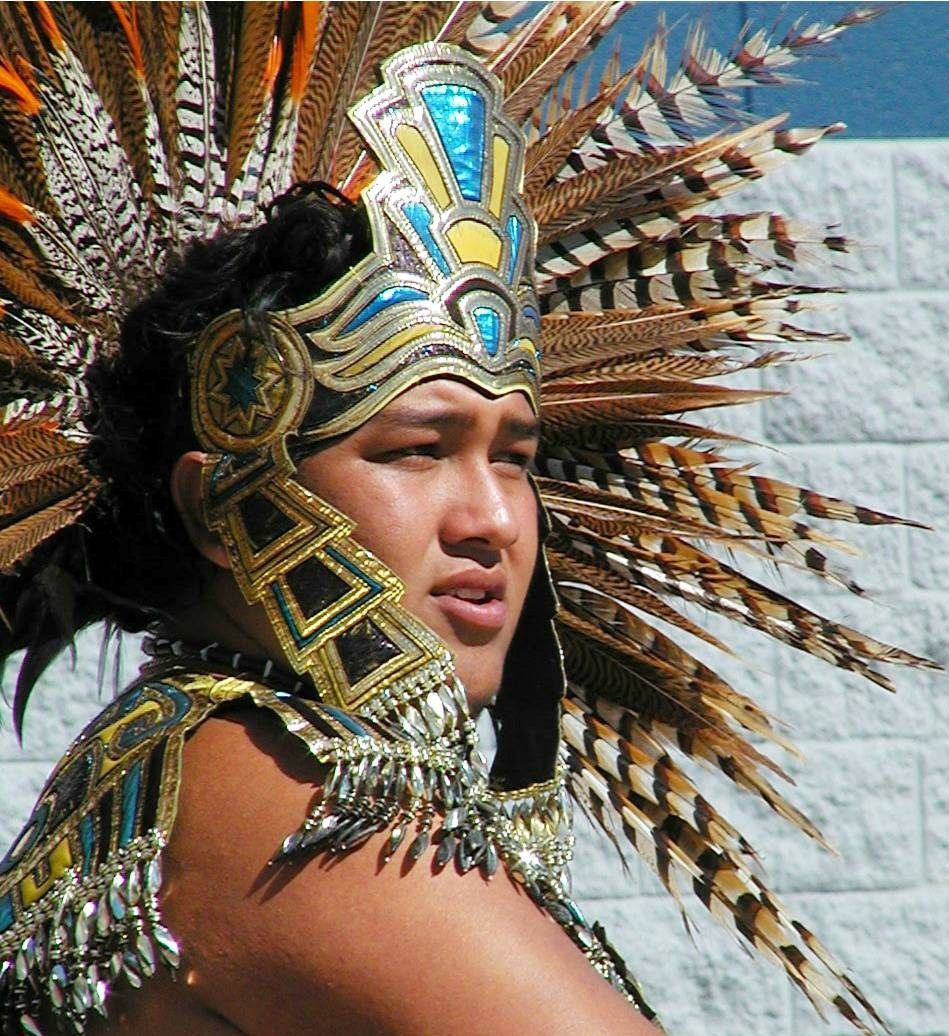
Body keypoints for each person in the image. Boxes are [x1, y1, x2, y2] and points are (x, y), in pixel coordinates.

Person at [0, 4, 932, 1034]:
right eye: (415, 450)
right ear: (218, 503)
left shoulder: (174, 758)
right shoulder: (287, 788)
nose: (492, 518)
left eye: (515, 457)